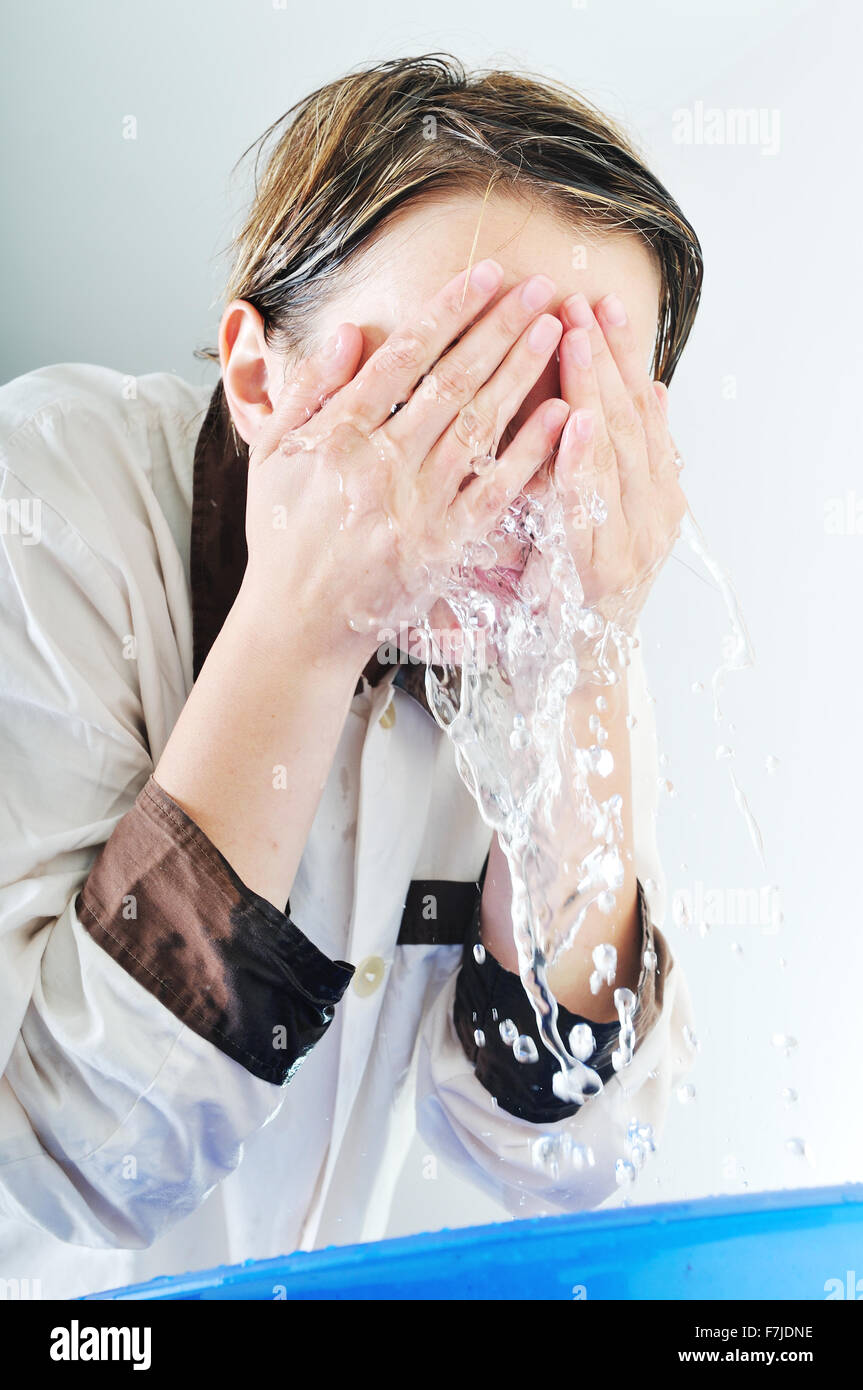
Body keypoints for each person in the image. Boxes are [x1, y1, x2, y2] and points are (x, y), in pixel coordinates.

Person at [0, 54, 699, 1298]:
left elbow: (570, 1154)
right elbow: (71, 1152)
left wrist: (584, 655)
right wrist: (308, 620)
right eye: (446, 389)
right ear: (261, 375)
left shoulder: (552, 616)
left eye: (581, 420)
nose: (507, 491)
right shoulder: (45, 507)